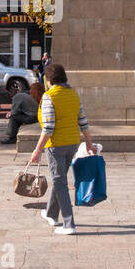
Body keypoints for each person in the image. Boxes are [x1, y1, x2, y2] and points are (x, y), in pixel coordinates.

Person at [28, 63, 95, 236]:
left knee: (60, 182)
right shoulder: (73, 95)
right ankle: (51, 213)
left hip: (55, 145)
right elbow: (83, 121)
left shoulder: (49, 97)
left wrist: (37, 150)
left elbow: (48, 127)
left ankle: (68, 224)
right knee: (60, 179)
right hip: (72, 142)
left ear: (48, 80)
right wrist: (89, 143)